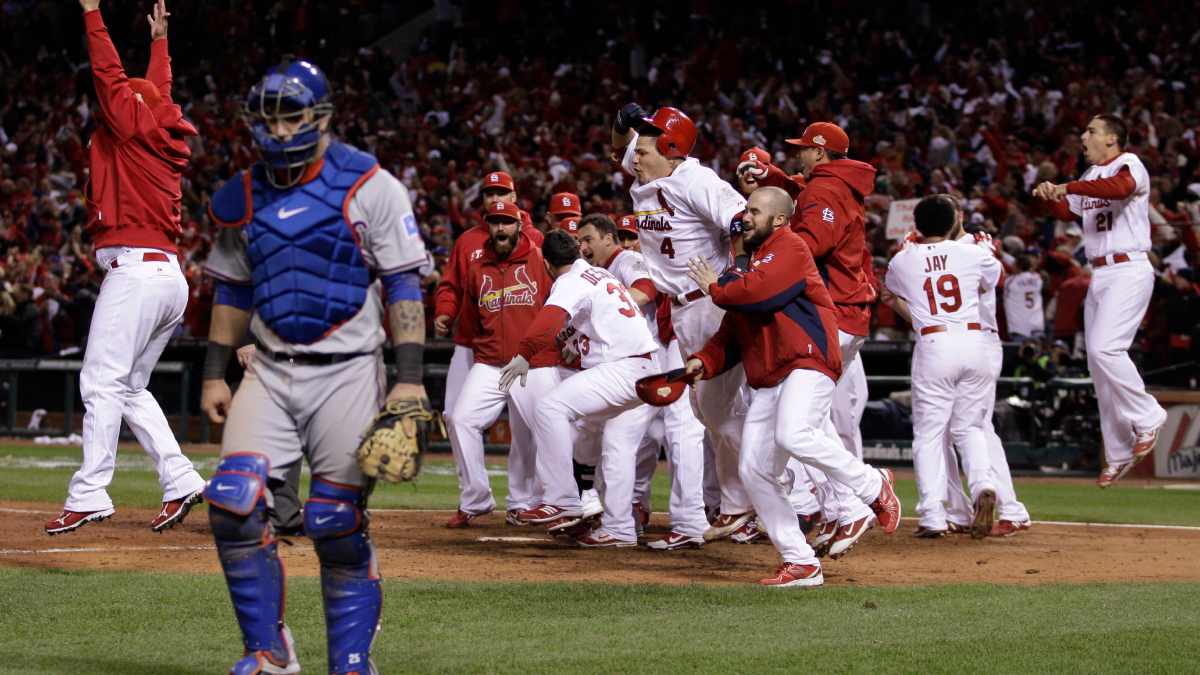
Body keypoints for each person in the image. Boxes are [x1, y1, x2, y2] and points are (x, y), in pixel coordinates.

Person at [200, 59, 430, 673]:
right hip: (270, 367)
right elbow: (231, 290)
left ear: (321, 116)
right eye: (269, 119)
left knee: (334, 519)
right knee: (232, 503)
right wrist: (213, 372)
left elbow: (404, 285)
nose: (279, 132)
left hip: (350, 368)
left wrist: (408, 379)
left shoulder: (371, 184)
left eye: (291, 117)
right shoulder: (242, 195)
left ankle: (351, 660)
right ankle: (268, 653)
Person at [683, 187, 900, 586]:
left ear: (779, 219)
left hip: (807, 361)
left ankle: (873, 484)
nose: (745, 218)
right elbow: (732, 331)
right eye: (743, 216)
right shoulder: (745, 270)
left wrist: (716, 288)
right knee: (754, 470)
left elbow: (760, 296)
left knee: (794, 433)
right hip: (770, 376)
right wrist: (705, 360)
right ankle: (800, 560)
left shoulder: (790, 247)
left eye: (753, 211)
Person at [46, 0, 207, 536]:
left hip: (136, 272)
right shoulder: (160, 132)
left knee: (99, 380)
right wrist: (160, 43)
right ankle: (181, 479)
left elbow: (110, 75)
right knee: (130, 387)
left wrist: (93, 13)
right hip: (169, 279)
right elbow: (154, 92)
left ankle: (89, 491)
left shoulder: (133, 125)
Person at [611, 103, 756, 542]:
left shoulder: (696, 179)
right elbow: (623, 147)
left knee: (720, 410)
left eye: (645, 148)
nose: (635, 155)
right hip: (682, 309)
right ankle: (738, 502)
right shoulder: (652, 167)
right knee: (707, 411)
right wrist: (623, 126)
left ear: (672, 152)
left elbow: (744, 220)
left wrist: (738, 270)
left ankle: (758, 500)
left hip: (709, 304)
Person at [501, 229, 661, 547]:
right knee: (610, 447)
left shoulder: (569, 280)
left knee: (550, 408)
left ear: (547, 263)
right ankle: (619, 528)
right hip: (645, 368)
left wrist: (523, 354)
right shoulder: (599, 273)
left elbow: (549, 320)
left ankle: (563, 500)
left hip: (622, 367)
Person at [1034, 114, 1168, 487]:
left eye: (1092, 131)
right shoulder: (1090, 178)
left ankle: (1147, 414)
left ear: (1112, 138)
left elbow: (1122, 188)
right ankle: (1119, 450)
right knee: (1097, 361)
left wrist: (1066, 186)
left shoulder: (1128, 163)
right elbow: (1069, 211)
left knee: (1105, 348)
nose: (1083, 136)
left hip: (1129, 268)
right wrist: (1050, 198)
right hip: (1100, 273)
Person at [576, 214, 709, 549]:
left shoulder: (626, 259)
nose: (583, 246)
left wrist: (602, 306)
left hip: (652, 359)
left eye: (589, 238)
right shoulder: (610, 266)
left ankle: (669, 521)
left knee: (675, 434)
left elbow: (644, 291)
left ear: (609, 239)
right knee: (630, 440)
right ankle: (629, 517)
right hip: (651, 357)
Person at [884, 195, 1002, 537]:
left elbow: (892, 294)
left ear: (917, 225)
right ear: (954, 222)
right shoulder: (973, 252)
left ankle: (933, 515)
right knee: (971, 428)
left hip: (935, 343)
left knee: (930, 434)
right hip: (974, 340)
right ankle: (982, 485)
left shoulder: (903, 260)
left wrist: (910, 247)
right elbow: (992, 278)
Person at [433, 170, 543, 520]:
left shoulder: (537, 243)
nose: (497, 200)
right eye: (490, 194)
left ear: (515, 198)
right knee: (457, 416)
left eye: (503, 193)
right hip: (477, 346)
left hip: (527, 356)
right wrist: (445, 312)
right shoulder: (469, 243)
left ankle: (527, 501)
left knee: (533, 429)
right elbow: (451, 287)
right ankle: (474, 499)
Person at [1003, 254, 1046, 341]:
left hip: (1019, 327)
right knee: (1039, 354)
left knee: (1022, 353)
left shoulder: (1010, 281)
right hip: (1036, 324)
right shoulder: (1037, 278)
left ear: (1017, 266)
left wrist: (1002, 255)